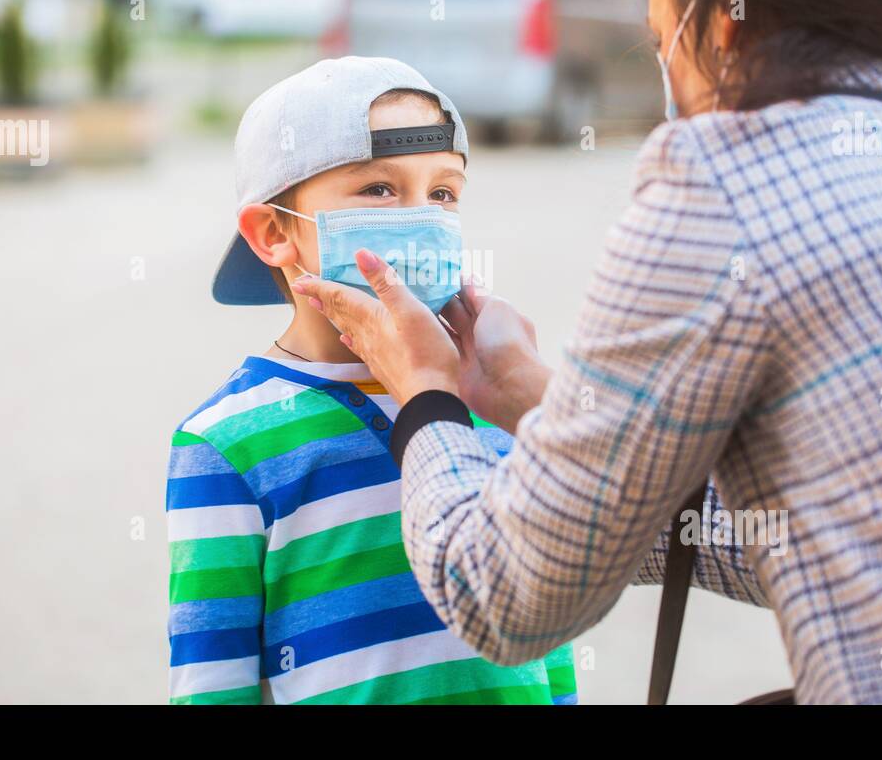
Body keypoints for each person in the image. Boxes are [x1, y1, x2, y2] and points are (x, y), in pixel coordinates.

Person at [289, 0, 882, 704]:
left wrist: (428, 400)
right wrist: (535, 399)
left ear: (720, 18)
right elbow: (843, 542)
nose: (667, 70)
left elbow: (501, 601)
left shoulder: (727, 174)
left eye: (659, 37)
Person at [165, 56, 577, 704]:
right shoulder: (225, 442)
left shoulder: (493, 402)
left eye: (442, 193)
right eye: (379, 190)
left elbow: (548, 629)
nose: (421, 216)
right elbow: (213, 680)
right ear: (274, 232)